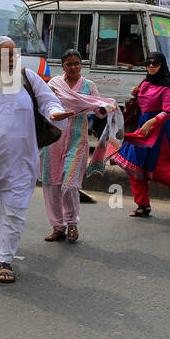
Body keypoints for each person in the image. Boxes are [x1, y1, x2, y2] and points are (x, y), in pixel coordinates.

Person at [0, 36, 69, 283]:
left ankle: (4, 259)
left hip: (23, 160)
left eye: (12, 54)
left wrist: (55, 112)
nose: (9, 59)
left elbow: (47, 100)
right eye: (3, 54)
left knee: (15, 210)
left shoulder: (28, 78)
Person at [41, 50, 115, 244]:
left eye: (76, 63)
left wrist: (104, 108)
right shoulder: (54, 85)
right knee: (51, 186)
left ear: (81, 65)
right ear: (63, 66)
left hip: (77, 139)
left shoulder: (89, 86)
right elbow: (44, 105)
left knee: (69, 185)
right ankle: (58, 227)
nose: (72, 67)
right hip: (53, 138)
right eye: (68, 64)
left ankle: (72, 222)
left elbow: (98, 110)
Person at [113, 51, 170, 218]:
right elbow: (142, 101)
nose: (151, 66)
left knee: (159, 171)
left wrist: (152, 121)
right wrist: (136, 93)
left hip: (159, 132)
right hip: (142, 129)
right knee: (133, 167)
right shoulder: (145, 83)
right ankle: (143, 205)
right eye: (148, 63)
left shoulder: (168, 87)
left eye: (155, 63)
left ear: (161, 65)